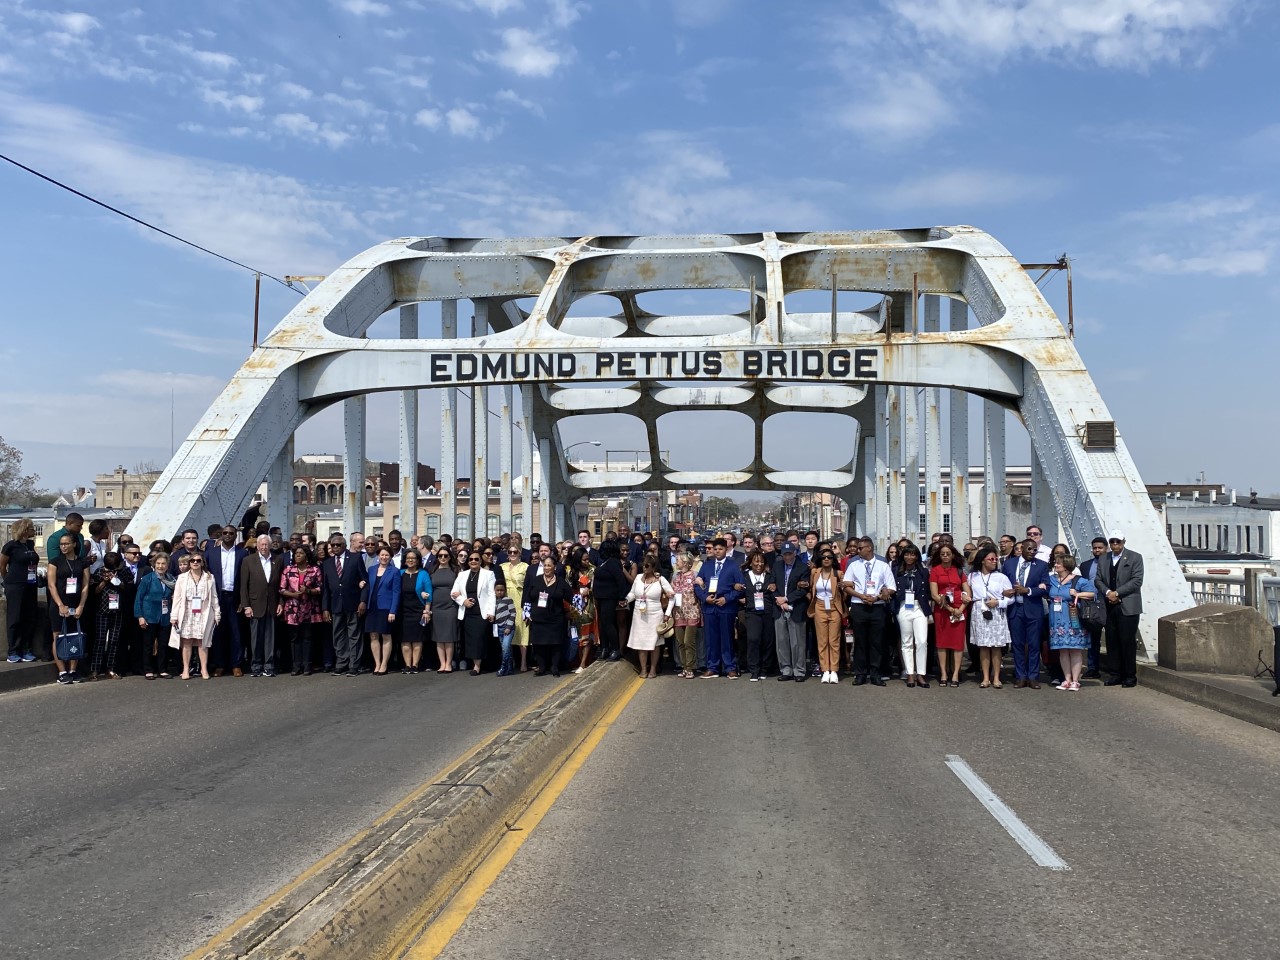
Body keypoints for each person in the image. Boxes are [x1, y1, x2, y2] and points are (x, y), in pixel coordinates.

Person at [841, 537, 895, 686]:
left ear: (869, 548)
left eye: (860, 548)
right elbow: (847, 585)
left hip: (877, 607)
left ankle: (875, 673)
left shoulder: (882, 565)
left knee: (876, 642)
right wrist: (861, 596)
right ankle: (860, 673)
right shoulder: (853, 565)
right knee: (860, 641)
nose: (857, 551)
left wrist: (877, 596)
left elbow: (891, 587)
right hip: (859, 605)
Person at [1096, 530, 1144, 688]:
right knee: (1112, 640)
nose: (1115, 545)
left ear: (1124, 542)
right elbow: (1098, 579)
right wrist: (1108, 592)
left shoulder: (1135, 557)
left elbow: (1136, 581)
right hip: (1110, 604)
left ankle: (1129, 675)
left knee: (1127, 640)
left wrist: (1117, 593)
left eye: (1118, 541)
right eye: (1112, 542)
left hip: (1127, 604)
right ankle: (1114, 674)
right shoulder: (1104, 558)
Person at [1001, 538, 1050, 689]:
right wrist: (1005, 592)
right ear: (1022, 548)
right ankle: (1020, 675)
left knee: (1034, 644)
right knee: (1017, 644)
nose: (1032, 552)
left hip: (1033, 609)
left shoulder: (1041, 566)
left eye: (1035, 550)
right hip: (1015, 608)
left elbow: (1046, 588)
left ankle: (1033, 676)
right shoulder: (1009, 563)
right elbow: (1002, 582)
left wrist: (1028, 590)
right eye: (1029, 549)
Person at [694, 538, 746, 679]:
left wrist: (727, 598)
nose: (717, 552)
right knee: (711, 640)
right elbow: (697, 585)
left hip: (726, 607)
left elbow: (741, 587)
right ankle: (712, 667)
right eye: (714, 549)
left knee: (727, 639)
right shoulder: (707, 566)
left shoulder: (733, 566)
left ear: (725, 550)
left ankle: (730, 667)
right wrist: (705, 598)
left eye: (720, 549)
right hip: (709, 607)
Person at [321, 533, 368, 677]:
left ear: (344, 545)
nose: (335, 547)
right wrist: (325, 608)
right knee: (338, 636)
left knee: (354, 635)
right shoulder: (327, 563)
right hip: (335, 605)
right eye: (333, 545)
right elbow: (326, 589)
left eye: (338, 545)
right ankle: (341, 663)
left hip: (353, 603)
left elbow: (365, 581)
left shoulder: (355, 558)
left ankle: (354, 665)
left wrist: (363, 601)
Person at [205, 524, 247, 677]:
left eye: (231, 533)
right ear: (221, 535)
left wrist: (244, 600)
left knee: (236, 632)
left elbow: (245, 579)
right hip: (217, 597)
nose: (228, 535)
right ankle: (220, 664)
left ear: (236, 535)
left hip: (235, 597)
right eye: (225, 533)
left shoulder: (243, 553)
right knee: (218, 632)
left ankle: (236, 664)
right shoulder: (211, 553)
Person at [1048, 555, 1095, 691]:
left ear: (1066, 565)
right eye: (1056, 563)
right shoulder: (1052, 579)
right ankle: (1066, 679)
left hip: (1072, 618)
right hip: (1056, 619)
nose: (1056, 566)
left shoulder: (1078, 580)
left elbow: (1093, 593)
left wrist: (1077, 594)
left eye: (1058, 564)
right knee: (1062, 650)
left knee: (1075, 650)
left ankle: (1075, 680)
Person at [240, 534, 285, 677]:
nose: (264, 547)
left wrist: (281, 603)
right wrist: (246, 605)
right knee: (256, 638)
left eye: (266, 545)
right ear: (257, 546)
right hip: (255, 604)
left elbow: (282, 584)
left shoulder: (278, 560)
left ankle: (269, 666)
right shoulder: (248, 561)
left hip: (272, 604)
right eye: (262, 545)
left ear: (270, 545)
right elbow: (243, 586)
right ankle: (256, 666)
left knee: (270, 638)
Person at [48, 532, 90, 683]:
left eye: (66, 544)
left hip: (76, 603)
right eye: (61, 544)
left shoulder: (82, 563)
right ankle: (62, 671)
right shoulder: (55, 562)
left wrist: (81, 606)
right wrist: (60, 604)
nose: (63, 546)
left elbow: (85, 585)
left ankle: (73, 670)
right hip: (59, 604)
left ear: (74, 544)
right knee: (58, 636)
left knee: (75, 636)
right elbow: (51, 585)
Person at [968, 545, 1012, 688]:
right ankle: (985, 677)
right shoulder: (972, 576)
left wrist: (999, 602)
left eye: (996, 559)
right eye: (991, 559)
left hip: (996, 612)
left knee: (996, 646)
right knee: (984, 646)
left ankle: (996, 677)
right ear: (982, 560)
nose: (994, 561)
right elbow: (968, 593)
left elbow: (1011, 598)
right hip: (979, 611)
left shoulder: (1002, 577)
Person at [171, 552, 219, 680]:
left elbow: (214, 597)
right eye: (193, 560)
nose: (195, 562)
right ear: (189, 563)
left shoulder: (210, 577)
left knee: (202, 642)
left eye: (198, 560)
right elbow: (177, 598)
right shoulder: (182, 578)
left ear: (202, 562)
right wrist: (174, 616)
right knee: (186, 642)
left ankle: (204, 669)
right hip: (187, 612)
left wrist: (217, 613)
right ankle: (186, 669)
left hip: (204, 611)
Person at [624, 556, 673, 679]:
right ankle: (643, 668)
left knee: (654, 642)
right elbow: (632, 593)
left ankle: (653, 668)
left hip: (655, 614)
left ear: (654, 567)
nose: (644, 568)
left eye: (647, 566)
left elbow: (672, 597)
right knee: (641, 642)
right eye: (643, 565)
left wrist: (667, 613)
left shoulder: (661, 580)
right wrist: (626, 600)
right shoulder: (638, 578)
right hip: (639, 614)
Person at [929, 544, 968, 687]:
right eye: (942, 554)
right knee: (942, 642)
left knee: (958, 643)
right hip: (942, 610)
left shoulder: (959, 571)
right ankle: (944, 673)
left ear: (953, 555)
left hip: (960, 609)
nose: (945, 556)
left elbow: (967, 593)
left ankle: (956, 673)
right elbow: (934, 594)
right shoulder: (935, 571)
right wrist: (951, 609)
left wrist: (961, 608)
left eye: (948, 553)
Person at [280, 546, 323, 676]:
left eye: (300, 553)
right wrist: (292, 594)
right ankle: (296, 665)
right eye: (296, 553)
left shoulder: (314, 570)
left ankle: (307, 665)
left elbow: (320, 588)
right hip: (292, 609)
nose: (297, 555)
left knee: (307, 637)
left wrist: (309, 591)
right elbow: (281, 589)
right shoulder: (288, 570)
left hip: (309, 609)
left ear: (306, 555)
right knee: (294, 638)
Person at [892, 544, 932, 687]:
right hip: (903, 606)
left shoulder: (923, 571)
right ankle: (910, 673)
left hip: (919, 606)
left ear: (917, 556)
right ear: (903, 556)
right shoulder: (896, 570)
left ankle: (921, 674)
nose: (910, 557)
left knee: (921, 641)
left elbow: (928, 590)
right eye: (907, 554)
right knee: (906, 641)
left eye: (913, 554)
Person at [2, 519, 41, 662]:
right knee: (15, 617)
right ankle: (13, 650)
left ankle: (27, 649)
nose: (33, 531)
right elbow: (2, 566)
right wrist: (7, 581)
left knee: (30, 617)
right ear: (24, 530)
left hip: (30, 584)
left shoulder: (30, 545)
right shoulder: (10, 546)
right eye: (31, 528)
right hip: (15, 585)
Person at [451, 551, 495, 675]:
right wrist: (463, 601)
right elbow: (454, 593)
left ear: (480, 561)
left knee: (479, 639)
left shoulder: (488, 574)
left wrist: (491, 612)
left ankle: (477, 666)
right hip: (467, 612)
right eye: (471, 559)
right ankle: (473, 663)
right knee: (470, 640)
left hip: (482, 612)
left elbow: (492, 594)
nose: (473, 561)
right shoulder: (462, 575)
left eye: (476, 559)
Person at [771, 542, 809, 682]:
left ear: (795, 553)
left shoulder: (803, 568)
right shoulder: (776, 566)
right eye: (785, 554)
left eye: (790, 553)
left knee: (797, 642)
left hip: (796, 607)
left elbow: (804, 589)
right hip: (779, 608)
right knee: (782, 641)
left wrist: (787, 599)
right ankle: (786, 669)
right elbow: (771, 585)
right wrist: (779, 601)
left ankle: (799, 670)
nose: (787, 556)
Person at [527, 555, 571, 676]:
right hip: (538, 618)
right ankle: (542, 667)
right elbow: (527, 596)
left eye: (549, 565)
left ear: (554, 567)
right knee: (538, 643)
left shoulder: (561, 582)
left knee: (555, 644)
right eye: (545, 565)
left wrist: (583, 597)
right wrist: (526, 612)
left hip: (555, 619)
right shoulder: (536, 580)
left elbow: (571, 597)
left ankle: (554, 667)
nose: (547, 568)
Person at [807, 548, 845, 684]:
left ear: (833, 560)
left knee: (834, 640)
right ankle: (825, 670)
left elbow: (844, 593)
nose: (826, 559)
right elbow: (811, 589)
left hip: (834, 607)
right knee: (822, 640)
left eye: (829, 557)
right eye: (824, 557)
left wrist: (843, 587)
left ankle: (834, 670)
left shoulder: (838, 574)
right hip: (820, 606)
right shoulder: (815, 572)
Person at [134, 552, 175, 678]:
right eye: (158, 563)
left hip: (165, 616)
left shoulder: (171, 579)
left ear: (167, 565)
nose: (161, 566)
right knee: (148, 644)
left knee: (163, 644)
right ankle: (148, 670)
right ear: (154, 564)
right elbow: (138, 598)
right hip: (149, 615)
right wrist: (140, 616)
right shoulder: (147, 579)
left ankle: (162, 669)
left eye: (163, 564)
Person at [363, 546, 401, 675]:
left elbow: (396, 592)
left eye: (386, 555)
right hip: (372, 606)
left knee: (386, 635)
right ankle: (377, 663)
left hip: (386, 607)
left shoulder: (394, 571)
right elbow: (368, 586)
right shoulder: (371, 569)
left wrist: (393, 611)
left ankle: (384, 664)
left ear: (390, 557)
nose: (384, 557)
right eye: (382, 555)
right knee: (373, 635)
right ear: (378, 556)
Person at [739, 550, 775, 682]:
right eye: (756, 561)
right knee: (753, 639)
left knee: (767, 640)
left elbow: (775, 592)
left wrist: (773, 587)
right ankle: (754, 669)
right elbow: (737, 592)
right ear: (750, 563)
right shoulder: (744, 576)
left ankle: (764, 668)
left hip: (767, 611)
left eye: (761, 561)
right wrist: (738, 593)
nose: (758, 564)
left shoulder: (770, 576)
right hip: (752, 611)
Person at [591, 540, 630, 662]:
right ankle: (604, 648)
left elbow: (620, 581)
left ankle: (615, 649)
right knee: (603, 624)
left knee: (609, 624)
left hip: (609, 597)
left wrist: (621, 597)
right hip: (601, 598)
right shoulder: (605, 562)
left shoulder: (613, 563)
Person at [1077, 537, 1108, 679]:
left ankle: (1115, 669)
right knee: (1093, 637)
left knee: (1112, 637)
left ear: (1106, 548)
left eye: (1100, 548)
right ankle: (1092, 668)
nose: (1097, 550)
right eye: (1095, 548)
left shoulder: (1111, 563)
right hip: (1091, 604)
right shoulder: (1085, 565)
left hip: (1109, 603)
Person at [397, 548, 431, 674]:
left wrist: (426, 611)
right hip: (403, 611)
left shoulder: (423, 574)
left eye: (413, 558)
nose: (410, 560)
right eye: (408, 558)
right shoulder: (399, 573)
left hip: (418, 610)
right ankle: (407, 664)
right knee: (405, 639)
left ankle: (415, 665)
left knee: (417, 639)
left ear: (418, 560)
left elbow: (429, 594)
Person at [670, 551, 702, 678]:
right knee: (680, 642)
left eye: (678, 560)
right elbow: (671, 593)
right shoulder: (676, 576)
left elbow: (701, 590)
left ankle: (690, 667)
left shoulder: (695, 575)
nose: (676, 562)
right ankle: (684, 666)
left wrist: (702, 584)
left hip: (692, 612)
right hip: (678, 613)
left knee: (689, 641)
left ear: (685, 563)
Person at [498, 544, 529, 672]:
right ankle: (509, 661)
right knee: (506, 631)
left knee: (522, 632)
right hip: (506, 600)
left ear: (519, 553)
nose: (512, 554)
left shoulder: (525, 567)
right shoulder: (502, 567)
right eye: (510, 552)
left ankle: (523, 662)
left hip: (519, 598)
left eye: (515, 552)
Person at [567, 546, 598, 673]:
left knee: (586, 635)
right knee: (577, 636)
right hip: (575, 606)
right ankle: (578, 661)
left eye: (587, 559)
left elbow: (594, 586)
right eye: (584, 560)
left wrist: (588, 590)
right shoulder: (570, 572)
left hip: (588, 606)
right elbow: (568, 588)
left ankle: (583, 663)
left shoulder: (593, 570)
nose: (587, 561)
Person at [430, 546, 460, 672]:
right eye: (440, 556)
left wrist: (459, 593)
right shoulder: (432, 571)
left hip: (450, 607)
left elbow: (461, 587)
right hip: (436, 607)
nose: (443, 558)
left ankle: (448, 663)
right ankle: (442, 663)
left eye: (445, 556)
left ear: (449, 557)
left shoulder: (456, 570)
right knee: (438, 637)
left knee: (449, 637)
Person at [493, 581, 517, 675]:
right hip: (499, 628)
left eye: (501, 590)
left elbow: (513, 613)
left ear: (505, 591)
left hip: (508, 628)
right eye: (497, 590)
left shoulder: (508, 600)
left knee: (506, 647)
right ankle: (510, 668)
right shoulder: (493, 601)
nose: (499, 592)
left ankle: (503, 668)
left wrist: (508, 626)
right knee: (506, 649)